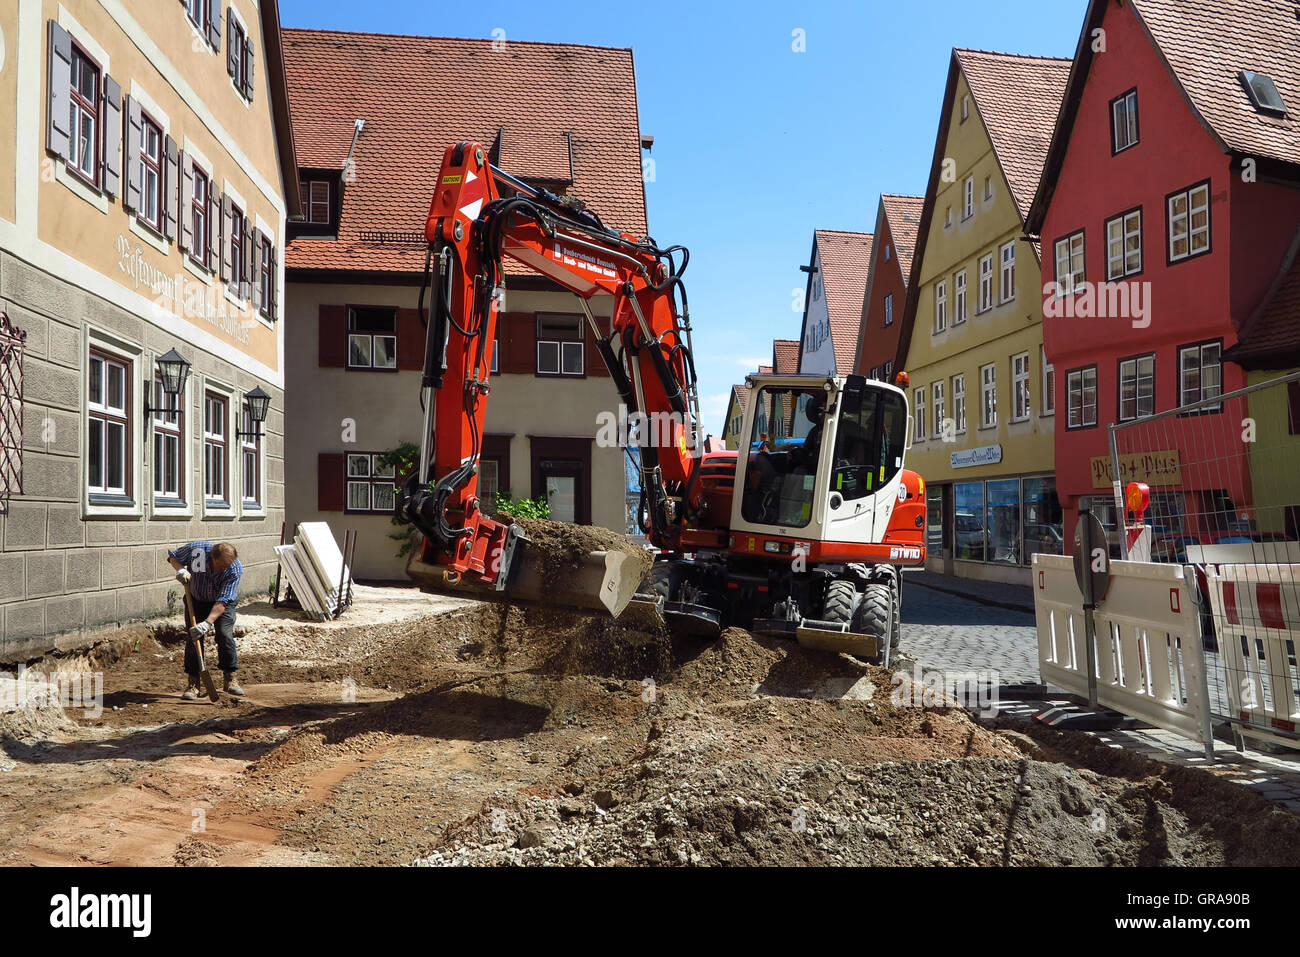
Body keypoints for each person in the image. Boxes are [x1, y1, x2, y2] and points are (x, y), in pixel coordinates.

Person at [168, 541, 244, 699]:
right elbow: (173, 556)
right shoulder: (197, 551)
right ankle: (193, 683)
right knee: (193, 637)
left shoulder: (234, 568)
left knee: (224, 634)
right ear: (212, 558)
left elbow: (223, 601)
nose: (225, 568)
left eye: (227, 565)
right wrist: (180, 569)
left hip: (222, 603)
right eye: (221, 565)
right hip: (195, 600)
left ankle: (230, 678)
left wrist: (207, 623)